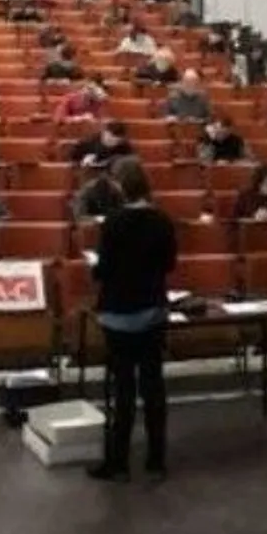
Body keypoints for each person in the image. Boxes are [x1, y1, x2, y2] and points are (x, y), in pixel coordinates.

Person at [87, 157, 175, 480]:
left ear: (120, 186)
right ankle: (156, 460)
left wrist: (94, 265)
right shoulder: (162, 220)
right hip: (152, 311)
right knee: (153, 387)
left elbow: (103, 270)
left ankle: (119, 462)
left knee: (122, 389)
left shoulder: (114, 223)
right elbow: (169, 265)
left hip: (119, 314)